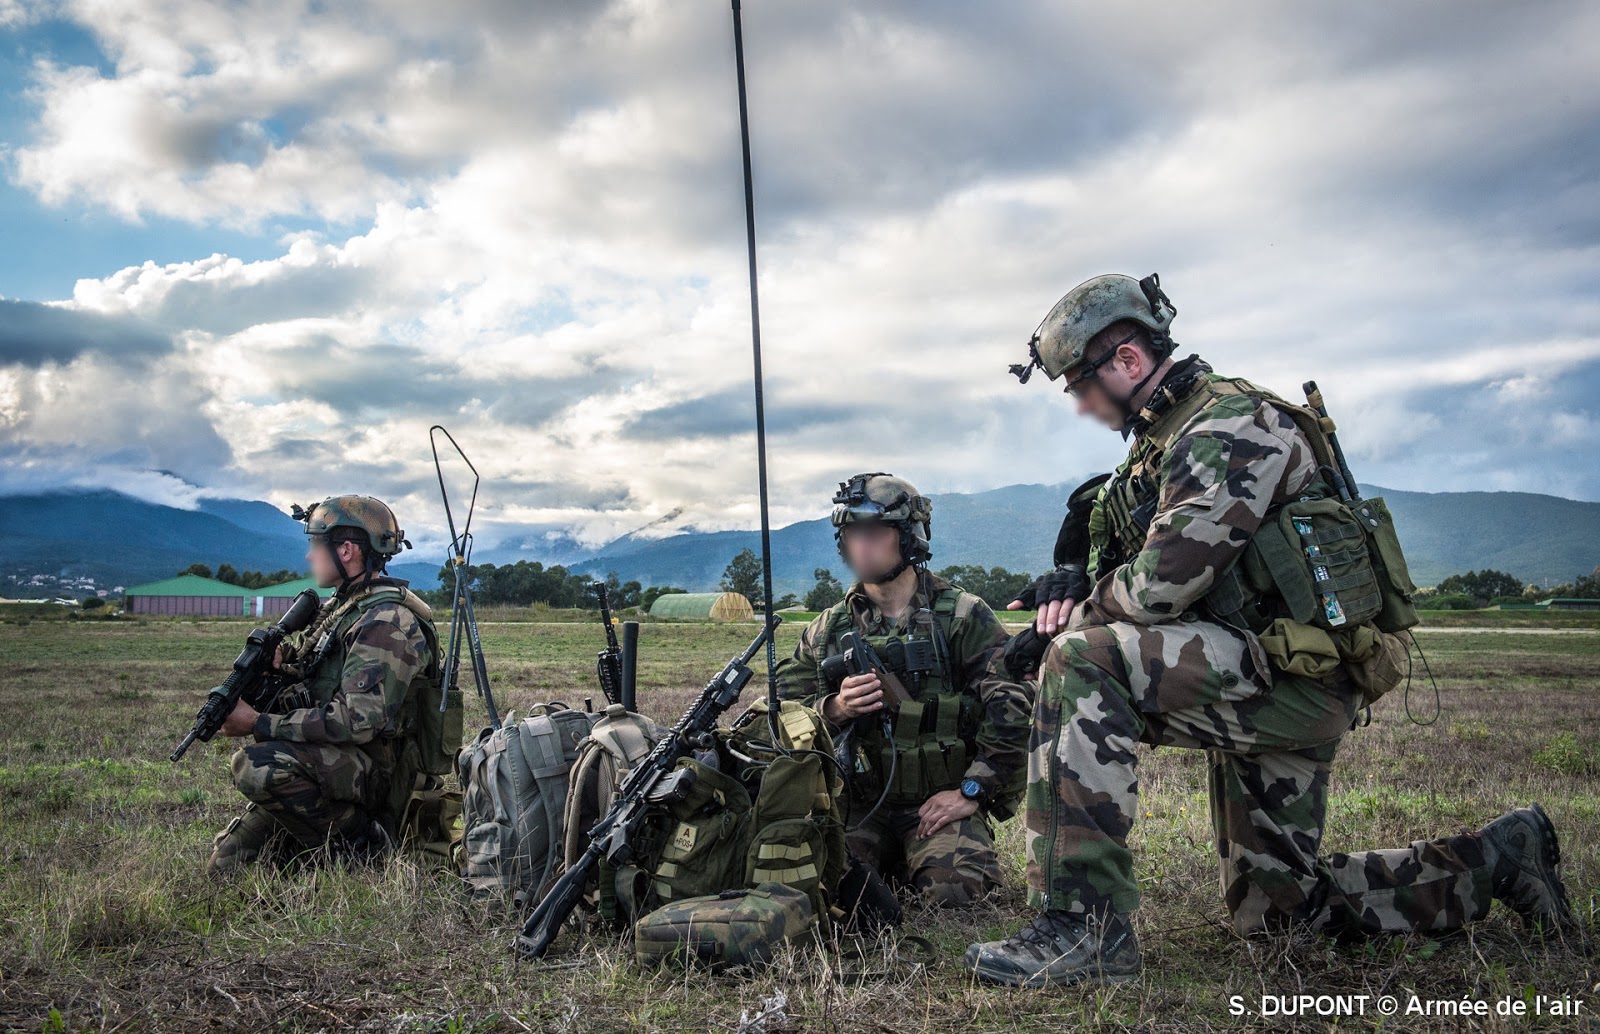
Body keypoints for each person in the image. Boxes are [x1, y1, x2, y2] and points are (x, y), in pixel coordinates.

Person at [966, 273, 1573, 987]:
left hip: (1292, 676)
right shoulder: (1166, 439)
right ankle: (1500, 856)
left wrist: (1080, 614)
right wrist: (1074, 581)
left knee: (1081, 661)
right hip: (1262, 669)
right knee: (1279, 913)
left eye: (1079, 385)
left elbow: (1163, 585)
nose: (1079, 404)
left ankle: (1081, 928)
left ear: (1126, 361)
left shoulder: (1226, 428)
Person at [774, 472, 1034, 907]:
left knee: (955, 894)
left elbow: (1013, 709)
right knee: (827, 894)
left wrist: (971, 791)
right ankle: (888, 860)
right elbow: (782, 715)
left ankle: (923, 857)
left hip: (938, 803)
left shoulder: (962, 617)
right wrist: (834, 708)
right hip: (859, 806)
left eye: (875, 533)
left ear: (909, 537)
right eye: (852, 534)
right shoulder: (827, 629)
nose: (863, 546)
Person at [207, 495, 450, 875]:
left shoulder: (386, 622)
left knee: (257, 766)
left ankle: (369, 848)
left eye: (315, 546)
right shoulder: (347, 607)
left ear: (347, 551)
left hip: (382, 775)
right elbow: (321, 678)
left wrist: (257, 723)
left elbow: (358, 720)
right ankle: (323, 846)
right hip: (342, 763)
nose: (309, 557)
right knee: (230, 862)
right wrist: (281, 667)